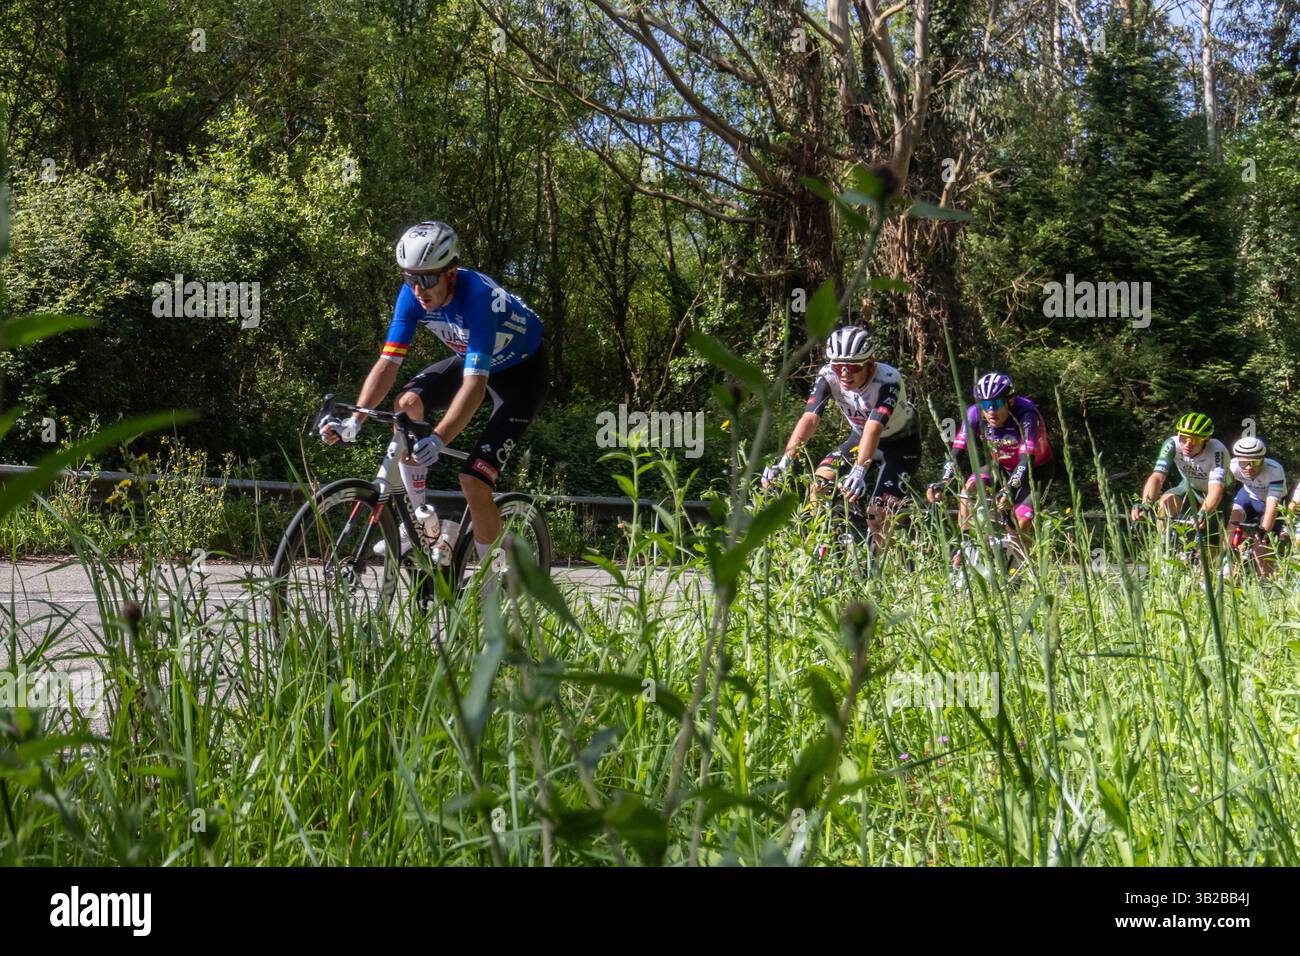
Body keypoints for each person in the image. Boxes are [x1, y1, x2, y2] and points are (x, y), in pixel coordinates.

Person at [319, 220, 548, 569]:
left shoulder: (477, 298)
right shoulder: (411, 296)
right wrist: (356, 419)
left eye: (427, 278)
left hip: (521, 376)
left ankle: (490, 585)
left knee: (473, 479)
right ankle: (423, 525)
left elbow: (474, 386)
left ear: (451, 272)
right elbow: (388, 363)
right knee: (407, 406)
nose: (418, 288)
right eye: (410, 277)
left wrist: (439, 438)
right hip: (473, 363)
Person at [760, 326, 920, 548]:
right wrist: (786, 460)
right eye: (838, 366)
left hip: (900, 445)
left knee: (877, 513)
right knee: (818, 484)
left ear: (870, 363)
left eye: (853, 366)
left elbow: (874, 427)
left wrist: (859, 470)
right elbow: (810, 418)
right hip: (859, 438)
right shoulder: (828, 376)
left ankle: (891, 571)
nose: (844, 373)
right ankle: (820, 551)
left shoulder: (888, 380)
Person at [927, 372, 1055, 553]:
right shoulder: (973, 414)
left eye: (997, 403)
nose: (991, 411)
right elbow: (957, 452)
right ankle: (966, 545)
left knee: (1021, 522)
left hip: (1036, 470)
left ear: (1010, 401)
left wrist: (1010, 488)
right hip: (1000, 466)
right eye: (985, 404)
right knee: (968, 490)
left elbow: (1027, 459)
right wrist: (943, 481)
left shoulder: (1027, 415)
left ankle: (1019, 569)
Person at [1130, 413, 1230, 536]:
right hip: (1190, 487)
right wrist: (1146, 503)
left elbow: (1216, 489)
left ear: (1206, 439)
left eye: (1195, 439)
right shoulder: (1172, 444)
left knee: (1211, 546)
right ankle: (1165, 545)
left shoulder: (1217, 449)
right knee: (1166, 502)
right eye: (1184, 438)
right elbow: (1157, 476)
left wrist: (1204, 511)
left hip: (1220, 494)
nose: (1188, 444)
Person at [1226, 436, 1286, 576]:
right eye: (1244, 462)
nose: (1249, 467)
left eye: (1255, 462)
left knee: (1262, 542)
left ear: (1263, 459)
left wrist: (1264, 530)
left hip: (1272, 502)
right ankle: (1225, 560)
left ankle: (1266, 583)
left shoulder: (1274, 469)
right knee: (1231, 520)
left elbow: (1272, 504)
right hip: (1249, 496)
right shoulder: (1232, 465)